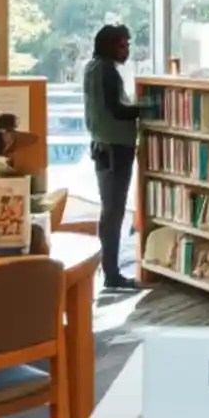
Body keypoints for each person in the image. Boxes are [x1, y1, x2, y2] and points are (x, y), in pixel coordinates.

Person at [84, 24, 142, 290]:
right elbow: (117, 110)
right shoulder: (106, 71)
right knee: (114, 211)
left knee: (110, 210)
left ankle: (108, 269)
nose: (127, 50)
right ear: (109, 46)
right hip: (116, 149)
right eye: (122, 45)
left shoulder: (92, 68)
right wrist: (146, 108)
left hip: (102, 147)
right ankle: (111, 272)